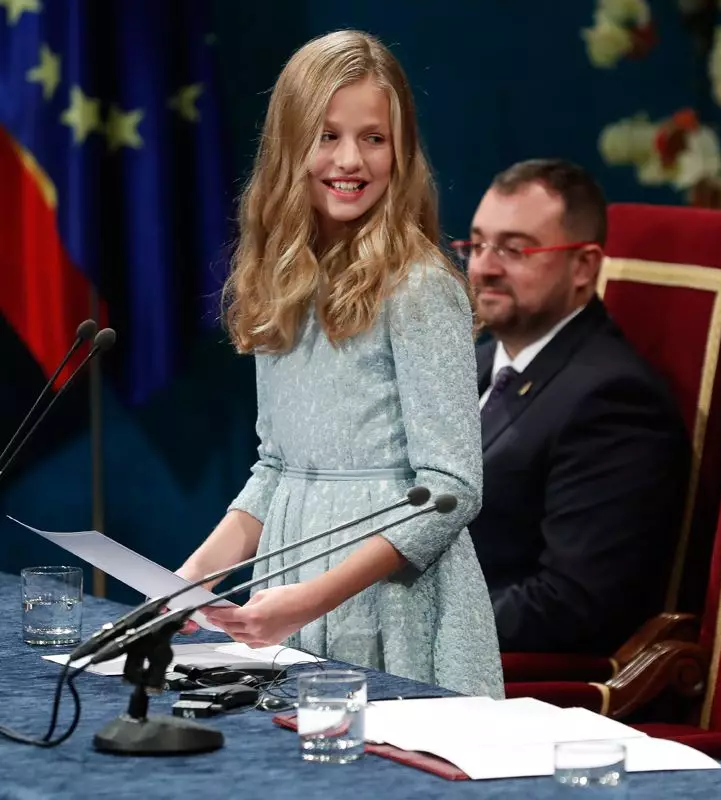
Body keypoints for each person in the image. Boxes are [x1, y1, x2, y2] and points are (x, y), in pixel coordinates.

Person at [176, 30, 502, 699]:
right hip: (291, 591)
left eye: (373, 138)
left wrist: (310, 599)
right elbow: (276, 469)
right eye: (327, 135)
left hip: (391, 609)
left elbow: (449, 490)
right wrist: (188, 582)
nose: (350, 159)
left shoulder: (419, 287)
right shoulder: (281, 280)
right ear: (291, 144)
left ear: (400, 149)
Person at [459, 158, 691, 654]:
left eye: (514, 250)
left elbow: (570, 603)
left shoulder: (614, 401)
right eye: (477, 244)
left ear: (583, 266)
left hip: (505, 688)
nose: (484, 267)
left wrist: (414, 623)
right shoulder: (467, 363)